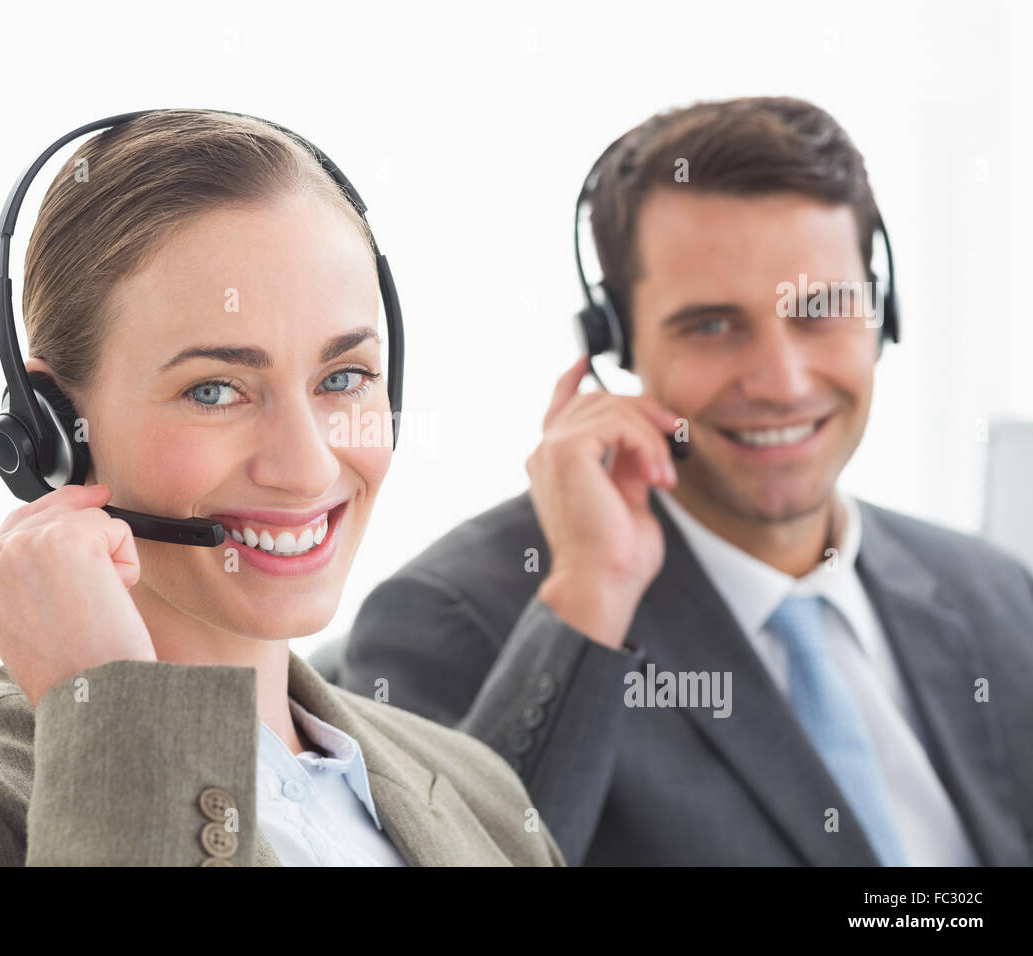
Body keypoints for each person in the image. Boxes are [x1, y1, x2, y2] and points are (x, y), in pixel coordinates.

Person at [0, 109, 564, 867]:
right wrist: (116, 709)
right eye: (214, 391)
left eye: (344, 377)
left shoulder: (476, 789)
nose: (307, 467)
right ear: (54, 425)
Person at [339, 96, 1033, 866]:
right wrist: (591, 592)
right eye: (712, 326)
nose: (781, 380)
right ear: (617, 346)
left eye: (822, 311)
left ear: (882, 314)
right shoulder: (457, 621)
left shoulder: (997, 596)